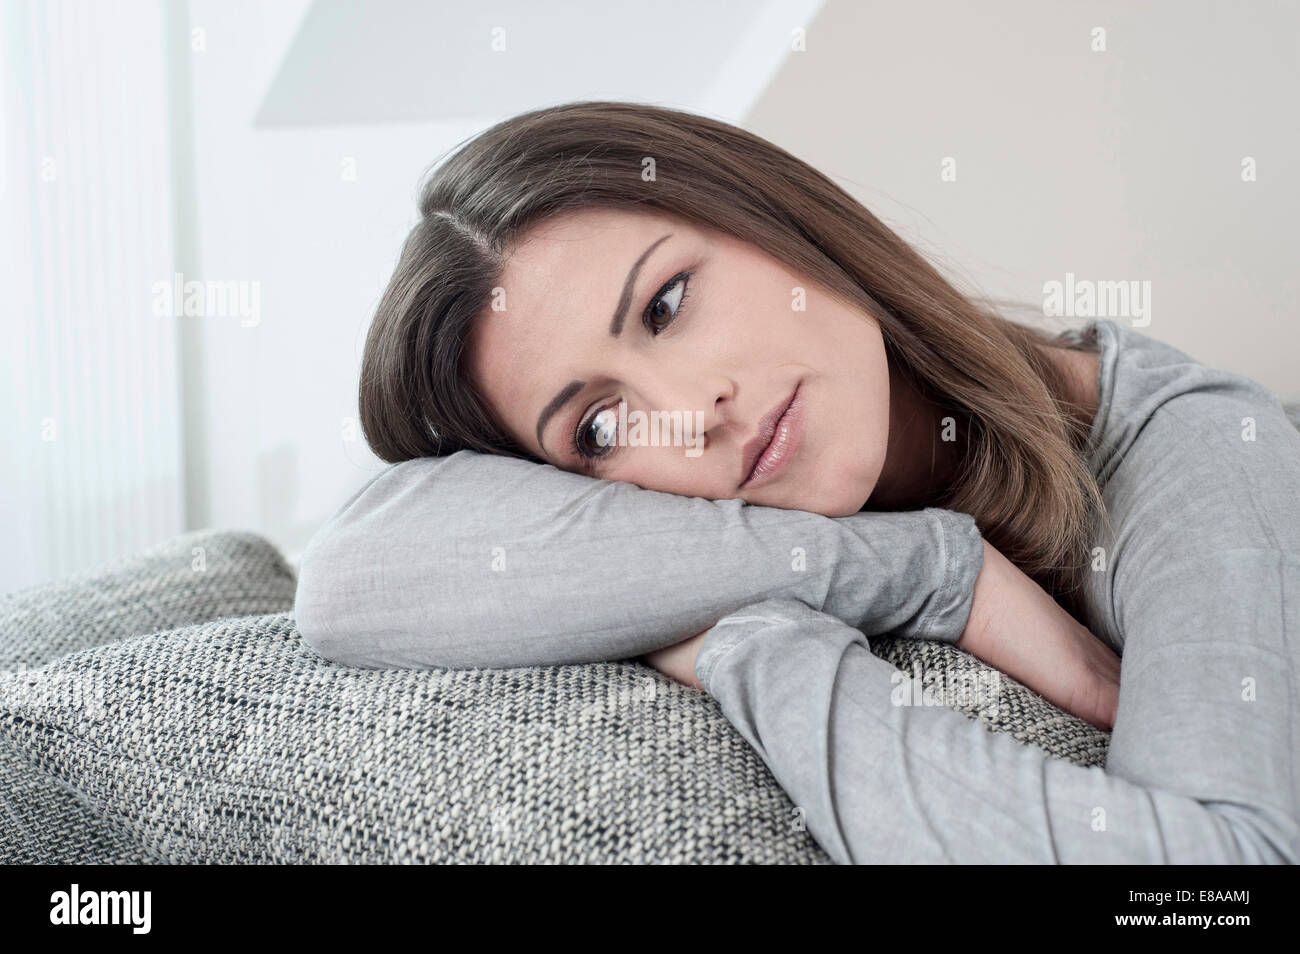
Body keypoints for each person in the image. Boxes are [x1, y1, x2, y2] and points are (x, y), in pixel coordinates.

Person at [294, 101, 1299, 862]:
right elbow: (350, 577)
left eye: (667, 302)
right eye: (598, 426)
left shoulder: (1205, 452)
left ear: (768, 214)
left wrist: (755, 648)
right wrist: (914, 570)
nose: (696, 409)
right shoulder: (807, 527)